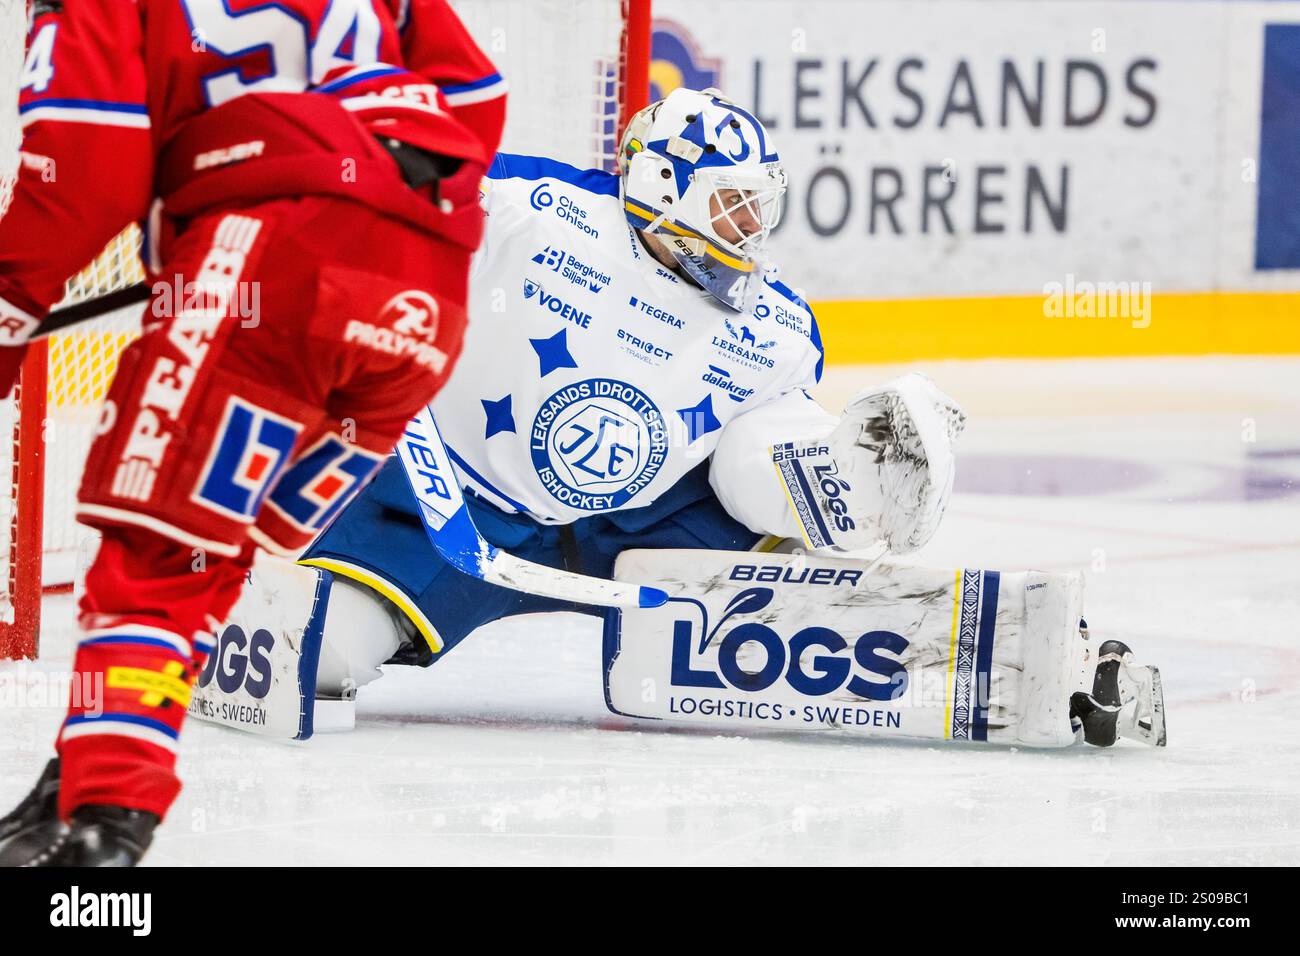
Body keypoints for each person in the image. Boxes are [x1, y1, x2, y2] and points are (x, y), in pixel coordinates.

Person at [0, 0, 504, 866]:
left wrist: (8, 312)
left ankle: (107, 823)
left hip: (270, 260)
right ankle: (88, 767)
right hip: (427, 295)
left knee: (155, 555)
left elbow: (86, 172)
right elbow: (476, 99)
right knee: (214, 547)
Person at [295, 87, 963, 703]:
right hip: (445, 514)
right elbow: (390, 196)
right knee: (317, 656)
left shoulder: (778, 330)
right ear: (662, 184)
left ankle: (864, 629)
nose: (749, 229)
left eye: (758, 208)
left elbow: (747, 458)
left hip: (631, 530)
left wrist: (839, 476)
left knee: (777, 517)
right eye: (732, 203)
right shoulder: (528, 208)